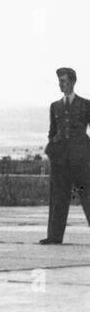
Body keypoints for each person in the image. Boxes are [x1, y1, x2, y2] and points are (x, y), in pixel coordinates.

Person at [39, 67, 90, 245]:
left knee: (87, 195)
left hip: (81, 159)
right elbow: (51, 132)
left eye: (64, 81)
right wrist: (53, 143)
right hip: (60, 159)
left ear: (72, 82)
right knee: (58, 196)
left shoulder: (85, 104)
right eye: (59, 81)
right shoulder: (55, 106)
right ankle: (54, 236)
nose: (60, 84)